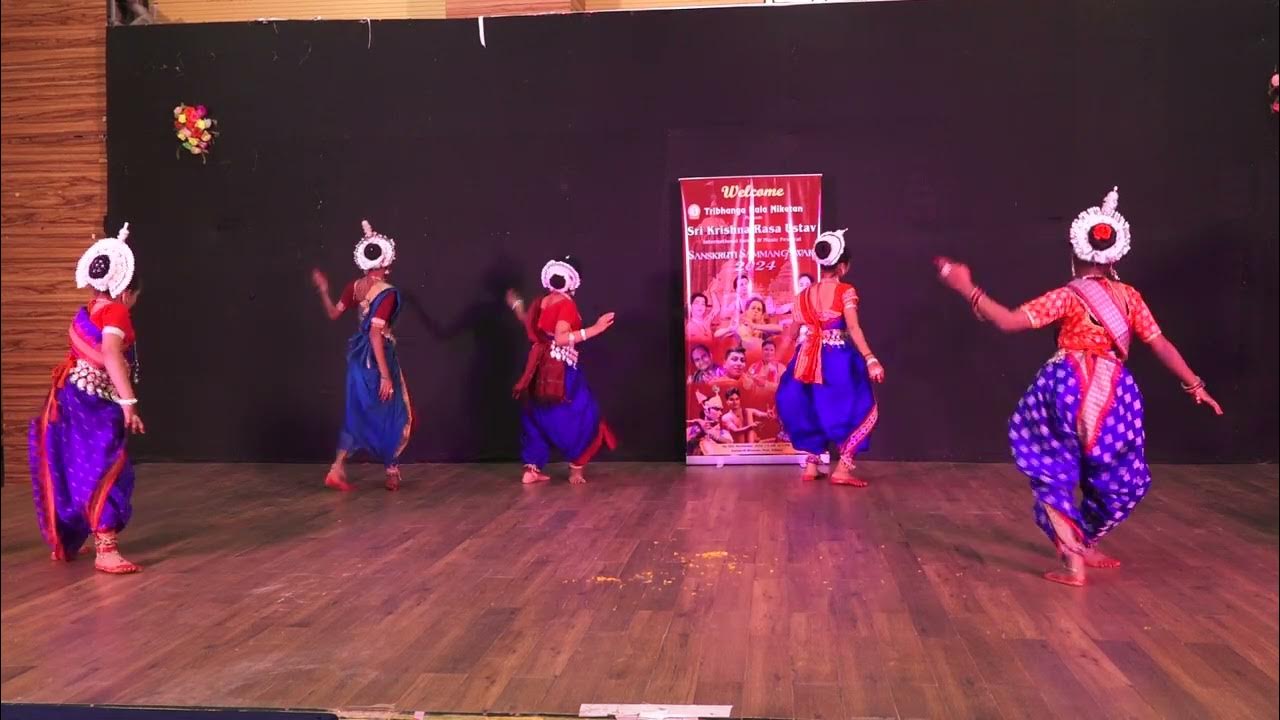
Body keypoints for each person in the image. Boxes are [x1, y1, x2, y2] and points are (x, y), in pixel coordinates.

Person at [935, 186, 1223, 587]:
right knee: (1116, 474)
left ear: (1075, 254)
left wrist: (966, 286)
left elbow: (1007, 321)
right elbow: (1160, 344)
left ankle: (1075, 558)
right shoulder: (1130, 298)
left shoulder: (1068, 297)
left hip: (1064, 385)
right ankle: (1084, 541)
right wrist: (1195, 385)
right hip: (1114, 392)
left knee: (1053, 467)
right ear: (1116, 256)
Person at [29, 223, 145, 574]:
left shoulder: (92, 307)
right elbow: (111, 354)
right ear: (125, 291)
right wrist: (129, 403)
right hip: (94, 405)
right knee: (107, 467)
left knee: (76, 465)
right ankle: (106, 549)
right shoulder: (116, 313)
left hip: (68, 398)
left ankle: (71, 541)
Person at [776, 229, 885, 485]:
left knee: (811, 407)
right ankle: (843, 469)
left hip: (805, 361)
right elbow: (854, 328)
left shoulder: (802, 296)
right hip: (837, 360)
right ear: (843, 267)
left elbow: (790, 335)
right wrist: (870, 358)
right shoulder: (845, 291)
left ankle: (811, 466)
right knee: (856, 405)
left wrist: (777, 365)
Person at [311, 220, 413, 492]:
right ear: (386, 259)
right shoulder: (388, 294)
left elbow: (334, 313)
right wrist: (384, 375)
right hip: (376, 358)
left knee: (357, 411)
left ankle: (336, 468)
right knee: (392, 411)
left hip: (357, 359)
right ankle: (391, 471)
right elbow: (375, 335)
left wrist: (323, 289)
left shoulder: (354, 287)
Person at [507, 256, 617, 484]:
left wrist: (517, 305)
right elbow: (561, 337)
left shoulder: (542, 301)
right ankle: (576, 469)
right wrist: (594, 329)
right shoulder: (565, 304)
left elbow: (527, 322)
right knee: (581, 413)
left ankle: (532, 469)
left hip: (538, 367)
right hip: (559, 369)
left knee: (536, 414)